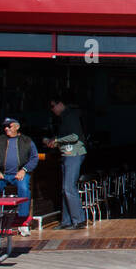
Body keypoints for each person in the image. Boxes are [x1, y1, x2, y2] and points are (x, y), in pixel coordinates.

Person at [44, 96, 87, 230]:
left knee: (69, 187)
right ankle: (67, 221)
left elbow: (75, 136)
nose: (52, 110)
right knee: (65, 189)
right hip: (67, 154)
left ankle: (79, 220)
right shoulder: (65, 117)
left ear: (60, 103)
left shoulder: (70, 116)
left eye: (53, 106)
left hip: (74, 153)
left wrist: (56, 140)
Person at [0, 116, 38, 236]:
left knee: (23, 189)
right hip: (3, 174)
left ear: (17, 127)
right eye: (5, 126)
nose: (6, 128)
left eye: (9, 126)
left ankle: (22, 222)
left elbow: (34, 158)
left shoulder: (26, 140)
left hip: (19, 173)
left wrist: (24, 170)